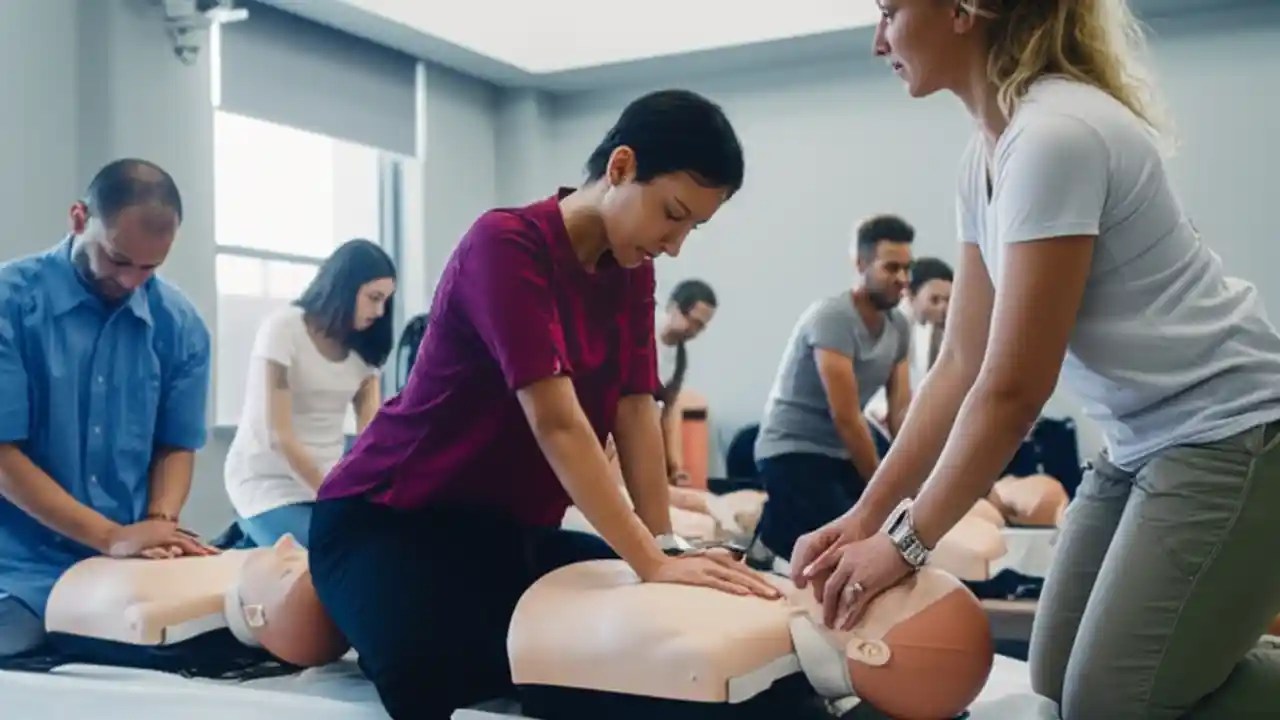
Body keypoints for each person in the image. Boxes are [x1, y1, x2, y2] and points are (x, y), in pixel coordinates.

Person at [793, 2, 1280, 718]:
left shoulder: (1058, 134)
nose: (878, 41)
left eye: (891, 11)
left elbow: (1014, 389)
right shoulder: (985, 154)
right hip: (1139, 443)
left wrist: (905, 544)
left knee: (1108, 702)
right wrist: (867, 515)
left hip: (1233, 432)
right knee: (1053, 685)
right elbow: (960, 363)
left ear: (964, 10)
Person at [306, 89, 780, 719]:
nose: (675, 245)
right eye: (672, 214)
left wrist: (663, 547)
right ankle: (304, 584)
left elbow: (635, 408)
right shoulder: (505, 243)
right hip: (387, 516)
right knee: (429, 674)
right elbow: (558, 422)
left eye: (693, 226)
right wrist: (647, 559)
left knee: (618, 624)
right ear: (620, 167)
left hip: (500, 531)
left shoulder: (632, 270)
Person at [0, 159, 216, 658]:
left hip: (120, 565)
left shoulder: (179, 325)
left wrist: (159, 524)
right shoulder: (11, 303)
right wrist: (110, 536)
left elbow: (175, 444)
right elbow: (3, 455)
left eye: (151, 267)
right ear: (79, 218)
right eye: (118, 259)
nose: (132, 280)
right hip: (18, 564)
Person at [751, 214, 914, 561]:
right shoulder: (832, 318)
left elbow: (900, 409)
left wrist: (905, 482)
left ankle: (773, 530)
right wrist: (881, 487)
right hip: (793, 450)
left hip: (840, 455)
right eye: (891, 268)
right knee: (852, 539)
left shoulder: (899, 325)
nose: (902, 279)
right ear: (861, 264)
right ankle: (770, 537)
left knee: (894, 529)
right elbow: (846, 416)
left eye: (906, 268)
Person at [223, 239, 396, 549]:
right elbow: (278, 436)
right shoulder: (283, 329)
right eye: (373, 298)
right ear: (345, 288)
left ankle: (249, 544)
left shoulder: (364, 353)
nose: (380, 311)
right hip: (265, 483)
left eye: (386, 300)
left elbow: (371, 438)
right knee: (331, 555)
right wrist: (333, 496)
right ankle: (246, 536)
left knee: (379, 549)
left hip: (325, 487)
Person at [865, 256, 953, 424]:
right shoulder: (889, 327)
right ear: (910, 296)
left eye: (949, 300)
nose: (944, 308)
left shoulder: (947, 330)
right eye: (934, 300)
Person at [655, 278, 718, 485]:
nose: (694, 330)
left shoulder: (678, 358)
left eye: (701, 326)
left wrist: (676, 467)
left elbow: (669, 411)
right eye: (693, 321)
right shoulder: (641, 334)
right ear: (674, 307)